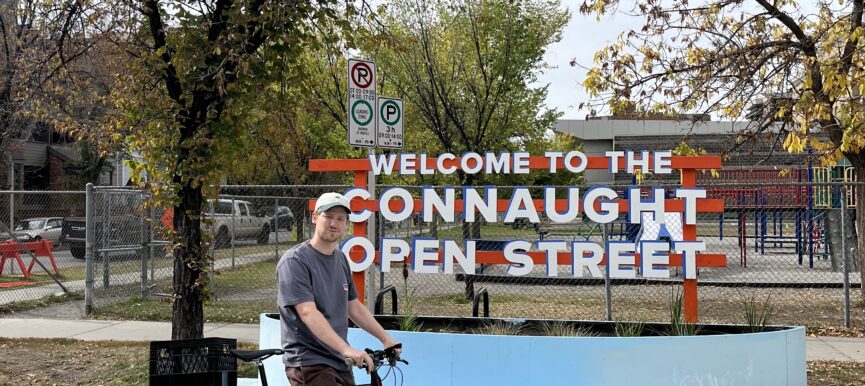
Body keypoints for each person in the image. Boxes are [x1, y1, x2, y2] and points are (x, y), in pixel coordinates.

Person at [277, 192, 402, 386]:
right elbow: (308, 312)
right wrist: (346, 349)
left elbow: (354, 307)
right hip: (310, 361)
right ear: (315, 218)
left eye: (340, 219)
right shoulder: (295, 261)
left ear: (346, 225)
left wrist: (385, 339)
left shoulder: (341, 259)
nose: (333, 223)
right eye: (328, 216)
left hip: (339, 360)